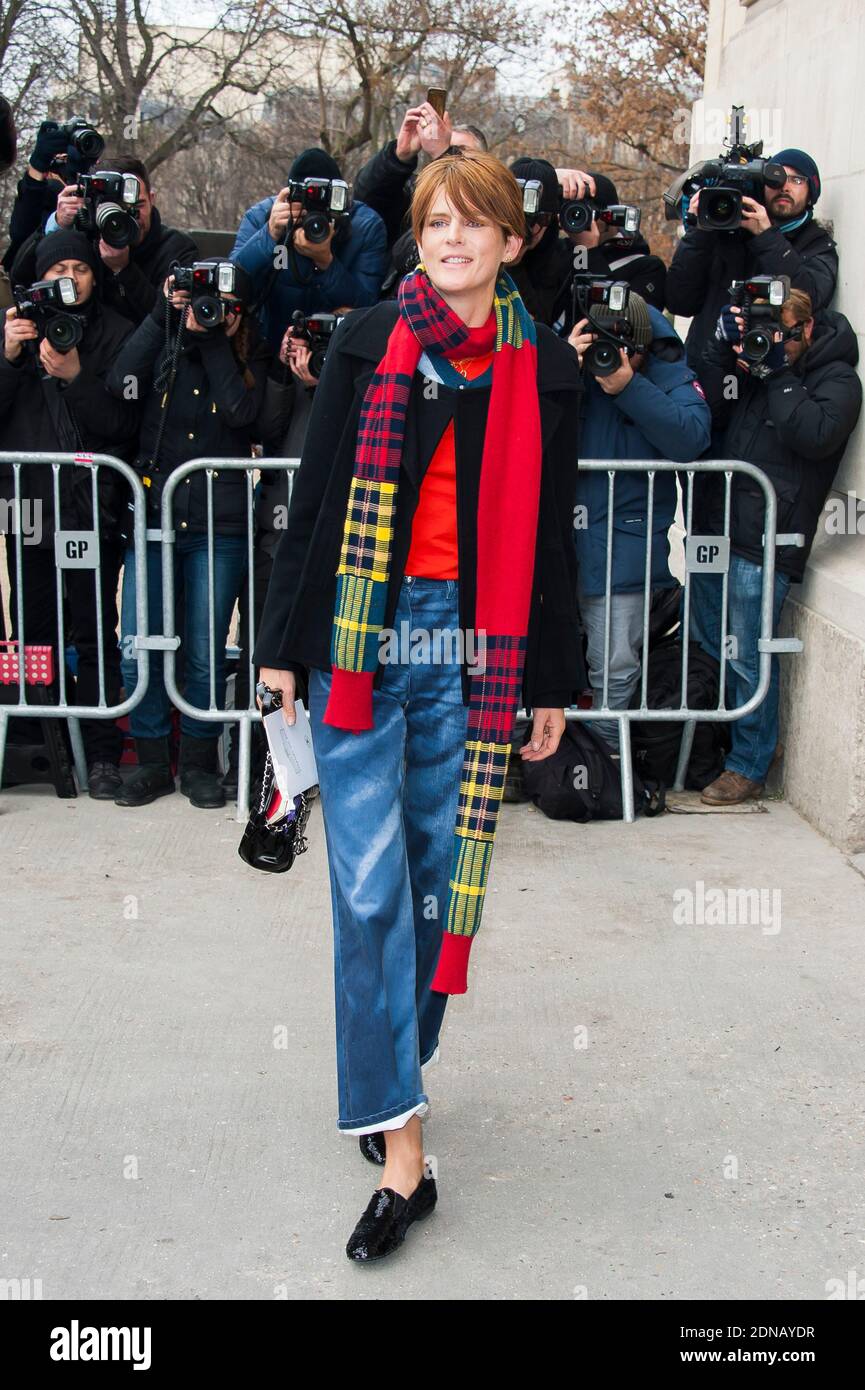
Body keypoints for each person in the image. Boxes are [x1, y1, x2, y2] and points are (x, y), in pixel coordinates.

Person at [252, 149, 583, 1261]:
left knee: (441, 888)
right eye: (436, 223)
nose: (451, 241)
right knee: (367, 890)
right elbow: (315, 500)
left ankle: (393, 1069)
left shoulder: (539, 371)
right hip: (360, 636)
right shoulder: (367, 339)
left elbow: (550, 536)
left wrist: (548, 679)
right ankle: (404, 1148)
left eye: (472, 225)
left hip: (473, 648)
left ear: (509, 240)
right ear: (420, 238)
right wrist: (283, 649)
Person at [107, 259, 271, 809]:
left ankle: (200, 762)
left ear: (239, 312)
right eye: (201, 302)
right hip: (154, 516)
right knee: (140, 646)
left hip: (216, 522)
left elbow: (244, 412)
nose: (208, 312)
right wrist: (162, 315)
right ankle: (153, 762)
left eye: (221, 305)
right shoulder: (164, 343)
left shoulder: (247, 353)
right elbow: (119, 384)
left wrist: (216, 341)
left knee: (204, 649)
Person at [691, 289, 861, 804]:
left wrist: (778, 375)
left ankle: (749, 764)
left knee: (748, 656)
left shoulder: (839, 380)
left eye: (782, 338)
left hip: (768, 538)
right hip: (721, 527)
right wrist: (726, 349)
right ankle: (718, 748)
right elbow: (710, 407)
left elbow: (814, 435)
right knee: (710, 645)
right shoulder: (756, 365)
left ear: (807, 330)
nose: (771, 345)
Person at [0, 229, 139, 797]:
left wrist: (76, 377)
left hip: (88, 505)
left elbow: (122, 424)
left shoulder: (116, 334)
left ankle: (102, 752)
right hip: (26, 502)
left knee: (93, 629)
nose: (69, 279)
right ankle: (43, 747)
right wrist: (9, 358)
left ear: (93, 274)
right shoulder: (18, 331)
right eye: (56, 268)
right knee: (33, 632)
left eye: (79, 269)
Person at [567, 293, 711, 747]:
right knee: (537, 654)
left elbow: (691, 438)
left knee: (614, 667)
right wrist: (560, 364)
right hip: (557, 543)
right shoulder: (568, 365)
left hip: (623, 549)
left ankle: (606, 765)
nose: (612, 352)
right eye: (602, 340)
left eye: (626, 343)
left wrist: (629, 387)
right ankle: (529, 757)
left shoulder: (669, 378)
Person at [665, 148, 838, 368]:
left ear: (811, 192)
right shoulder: (724, 231)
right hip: (710, 368)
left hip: (771, 371)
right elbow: (679, 301)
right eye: (776, 178)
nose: (784, 186)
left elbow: (810, 299)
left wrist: (766, 236)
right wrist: (699, 231)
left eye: (796, 180)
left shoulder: (816, 244)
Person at [230, 148, 387, 352]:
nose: (314, 217)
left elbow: (367, 307)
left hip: (333, 354)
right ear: (289, 196)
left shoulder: (364, 226)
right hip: (269, 347)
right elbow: (232, 284)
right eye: (305, 202)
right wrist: (269, 235)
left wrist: (326, 263)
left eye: (324, 205)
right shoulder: (263, 216)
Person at [38, 154, 198, 324]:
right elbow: (20, 277)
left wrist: (124, 269)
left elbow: (171, 325)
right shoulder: (83, 241)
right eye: (118, 209)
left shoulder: (177, 248)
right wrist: (57, 225)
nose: (129, 218)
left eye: (137, 206)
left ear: (152, 199)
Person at [354, 103, 487, 248]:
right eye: (449, 149)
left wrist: (443, 152)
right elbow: (366, 201)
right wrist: (398, 157)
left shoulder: (495, 196)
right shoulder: (417, 190)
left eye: (460, 150)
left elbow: (466, 200)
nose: (453, 157)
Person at [557, 172, 667, 327]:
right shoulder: (559, 251)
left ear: (611, 215)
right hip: (561, 346)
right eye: (573, 211)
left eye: (588, 212)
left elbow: (624, 321)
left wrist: (588, 251)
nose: (580, 218)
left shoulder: (647, 267)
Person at [506, 156, 576, 326]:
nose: (529, 225)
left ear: (553, 219)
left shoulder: (562, 257)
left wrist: (588, 248)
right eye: (519, 214)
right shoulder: (481, 242)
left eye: (542, 218)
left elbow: (537, 321)